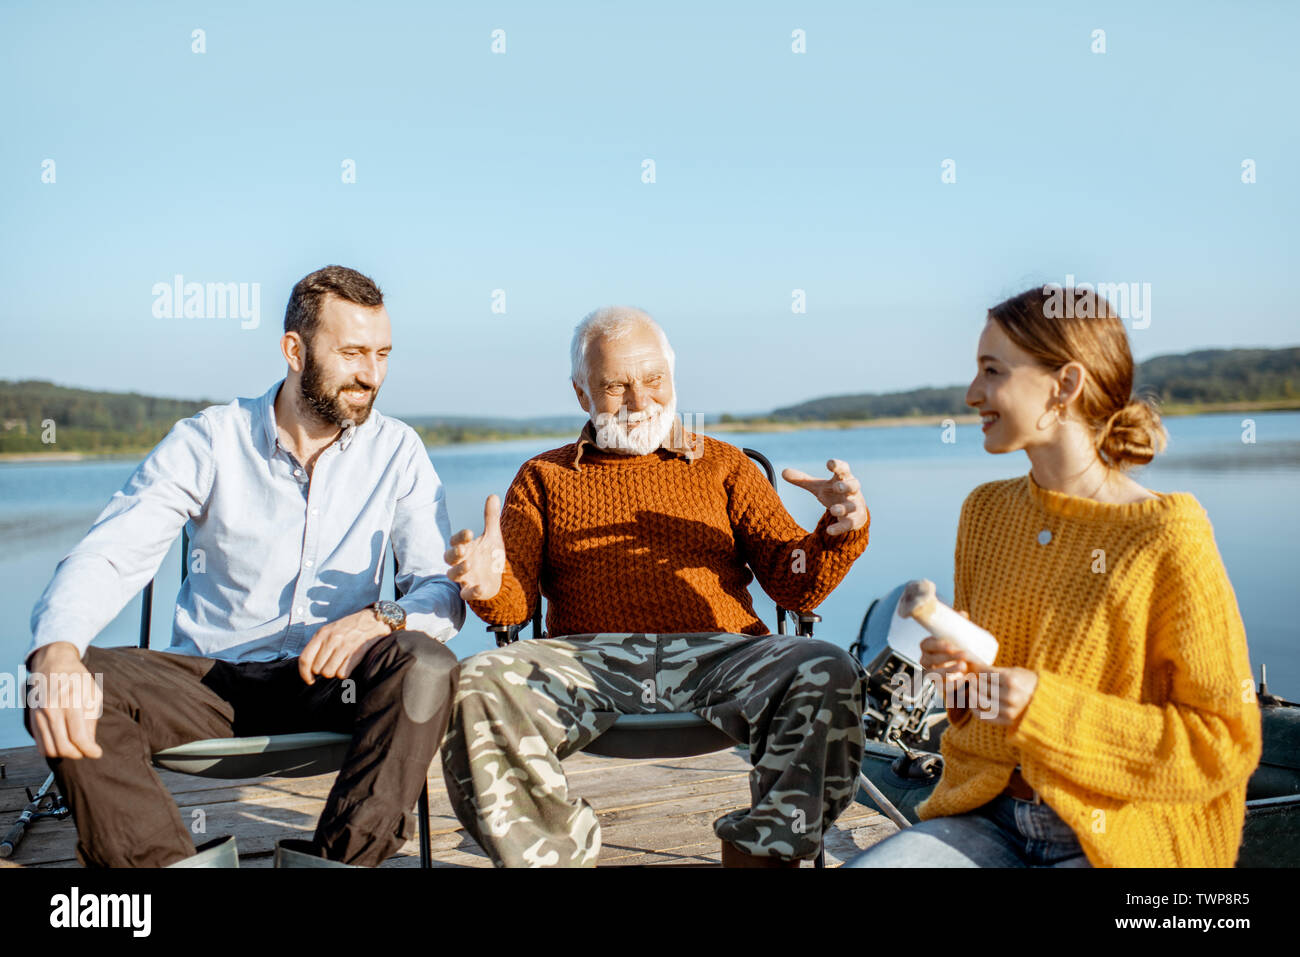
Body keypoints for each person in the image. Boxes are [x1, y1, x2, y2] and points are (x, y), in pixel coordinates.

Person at [24, 265, 465, 867]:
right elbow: (113, 552)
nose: (372, 375)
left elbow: (438, 592)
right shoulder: (209, 440)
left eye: (383, 353)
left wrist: (380, 619)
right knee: (64, 675)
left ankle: (336, 866)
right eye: (353, 353)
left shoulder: (399, 450)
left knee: (426, 662)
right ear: (293, 350)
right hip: (208, 684)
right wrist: (56, 646)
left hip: (330, 683)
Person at [845, 285, 1262, 868]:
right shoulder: (986, 513)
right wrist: (961, 684)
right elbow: (977, 705)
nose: (971, 394)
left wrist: (1045, 707)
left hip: (1118, 837)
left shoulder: (1167, 534)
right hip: (986, 818)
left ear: (1064, 385)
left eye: (992, 371)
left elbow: (1222, 745)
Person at [440, 305, 871, 867]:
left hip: (722, 654)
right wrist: (487, 583)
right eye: (615, 386)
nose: (640, 402)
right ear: (581, 394)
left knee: (829, 666)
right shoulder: (543, 476)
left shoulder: (725, 465)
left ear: (673, 378)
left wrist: (839, 532)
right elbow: (514, 603)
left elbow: (794, 588)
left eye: (653, 381)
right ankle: (553, 854)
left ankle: (764, 850)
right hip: (586, 659)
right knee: (476, 679)